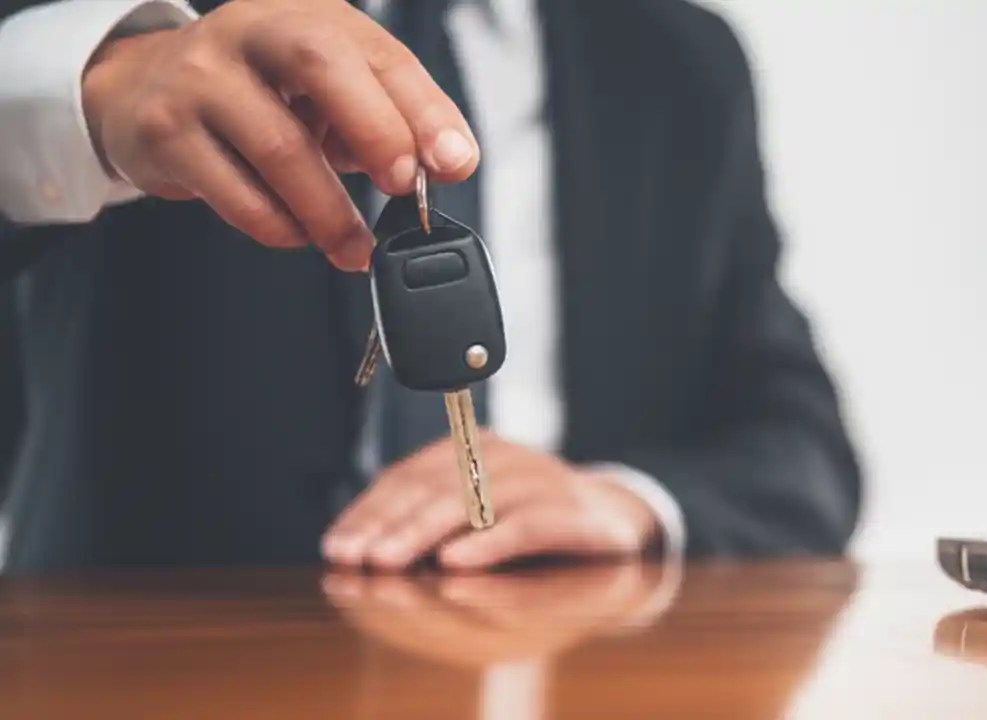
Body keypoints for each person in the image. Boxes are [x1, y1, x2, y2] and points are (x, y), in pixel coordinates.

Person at [0, 0, 861, 573]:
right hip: (150, 658)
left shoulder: (680, 60)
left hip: (565, 653)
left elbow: (803, 447)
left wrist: (624, 499)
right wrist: (81, 91)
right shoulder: (120, 28)